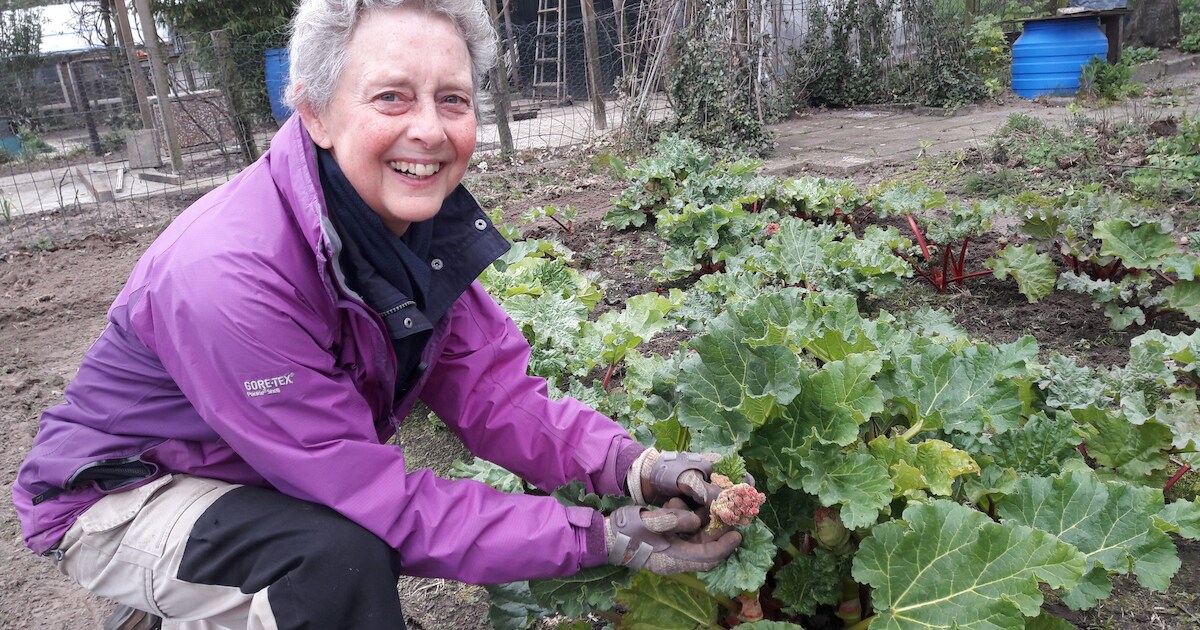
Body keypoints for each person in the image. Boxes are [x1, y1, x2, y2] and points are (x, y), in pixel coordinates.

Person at [11, 0, 743, 627]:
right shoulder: (229, 275)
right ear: (316, 113)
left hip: (261, 467)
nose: (429, 129)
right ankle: (176, 596)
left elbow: (495, 394)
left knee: (338, 553)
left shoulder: (409, 232)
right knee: (335, 561)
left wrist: (631, 466)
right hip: (126, 492)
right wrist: (596, 538)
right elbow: (376, 501)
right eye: (391, 97)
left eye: (452, 100)